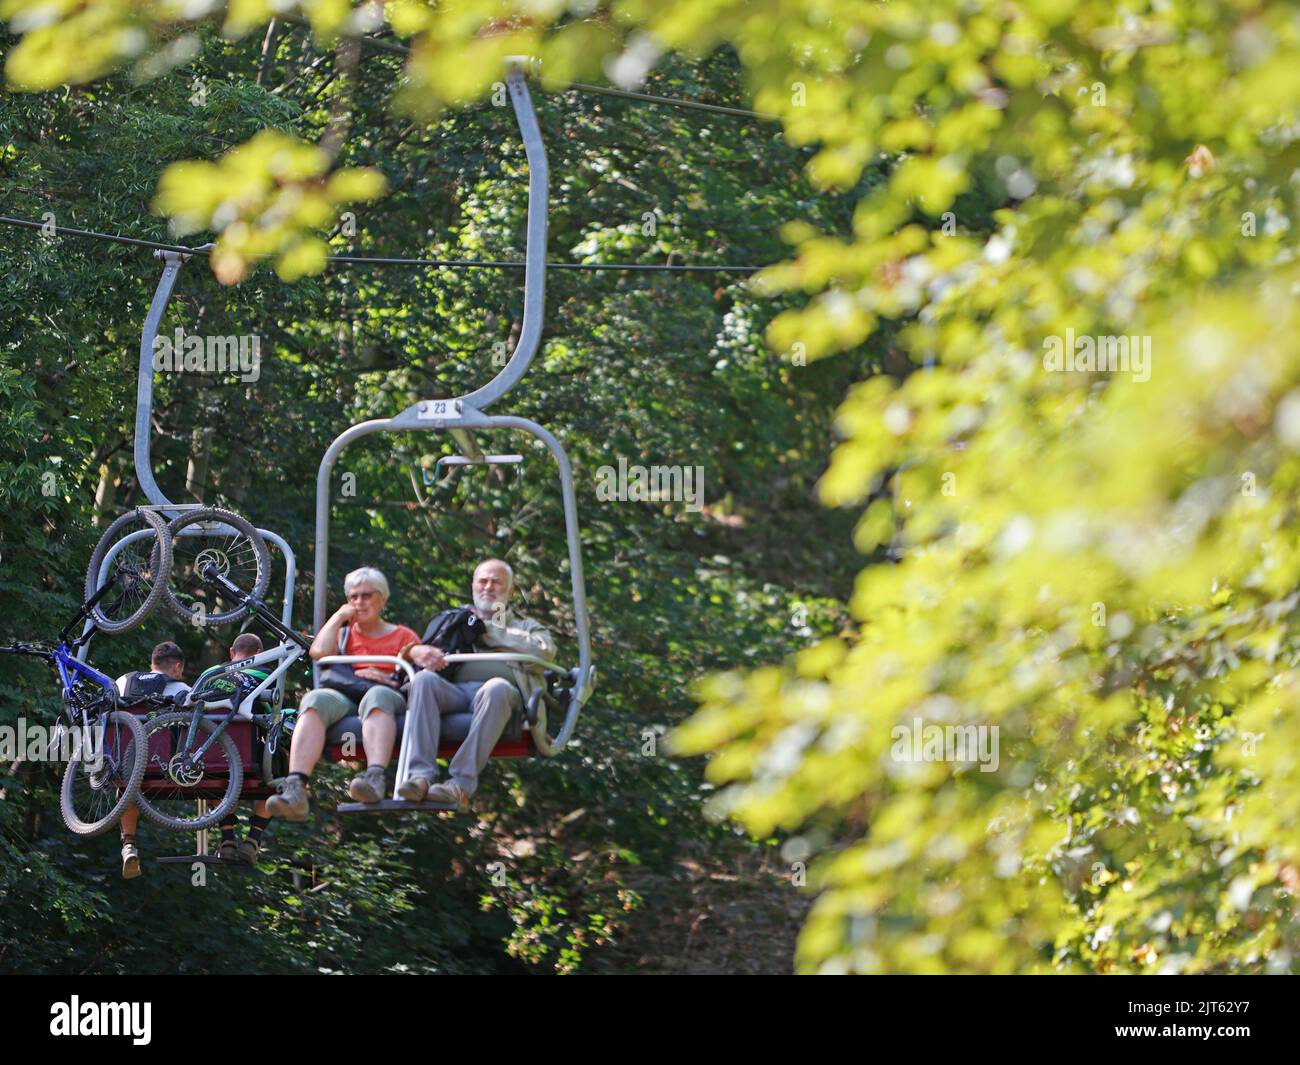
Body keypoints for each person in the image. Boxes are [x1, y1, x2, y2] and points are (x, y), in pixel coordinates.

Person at [396, 559, 555, 812]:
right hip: (455, 694)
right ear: (473, 585)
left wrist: (488, 631)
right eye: (483, 581)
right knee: (424, 679)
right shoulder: (454, 620)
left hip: (502, 698)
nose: (488, 587)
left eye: (496, 582)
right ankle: (419, 777)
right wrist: (414, 650)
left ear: (510, 591)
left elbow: (545, 651)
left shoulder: (525, 626)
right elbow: (421, 648)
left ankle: (460, 784)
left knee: (495, 687)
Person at [267, 567, 419, 820]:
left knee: (376, 695)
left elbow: (417, 678)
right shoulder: (344, 634)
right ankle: (295, 788)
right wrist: (338, 617)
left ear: (382, 599)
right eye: (353, 597)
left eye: (367, 596)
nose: (360, 602)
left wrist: (386, 678)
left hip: (387, 694)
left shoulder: (404, 635)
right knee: (313, 699)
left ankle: (374, 778)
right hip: (348, 693)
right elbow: (317, 653)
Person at [115, 641, 191, 880]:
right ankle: (229, 837)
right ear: (177, 667)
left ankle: (128, 844)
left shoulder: (123, 682)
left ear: (152, 663)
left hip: (127, 762)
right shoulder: (184, 689)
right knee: (220, 776)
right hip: (168, 765)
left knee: (127, 787)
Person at [210, 633, 275, 864]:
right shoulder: (269, 675)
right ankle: (253, 839)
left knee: (213, 782)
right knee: (278, 771)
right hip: (250, 757)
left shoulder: (210, 675)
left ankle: (227, 837)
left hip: (210, 757)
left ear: (231, 652)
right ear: (259, 654)